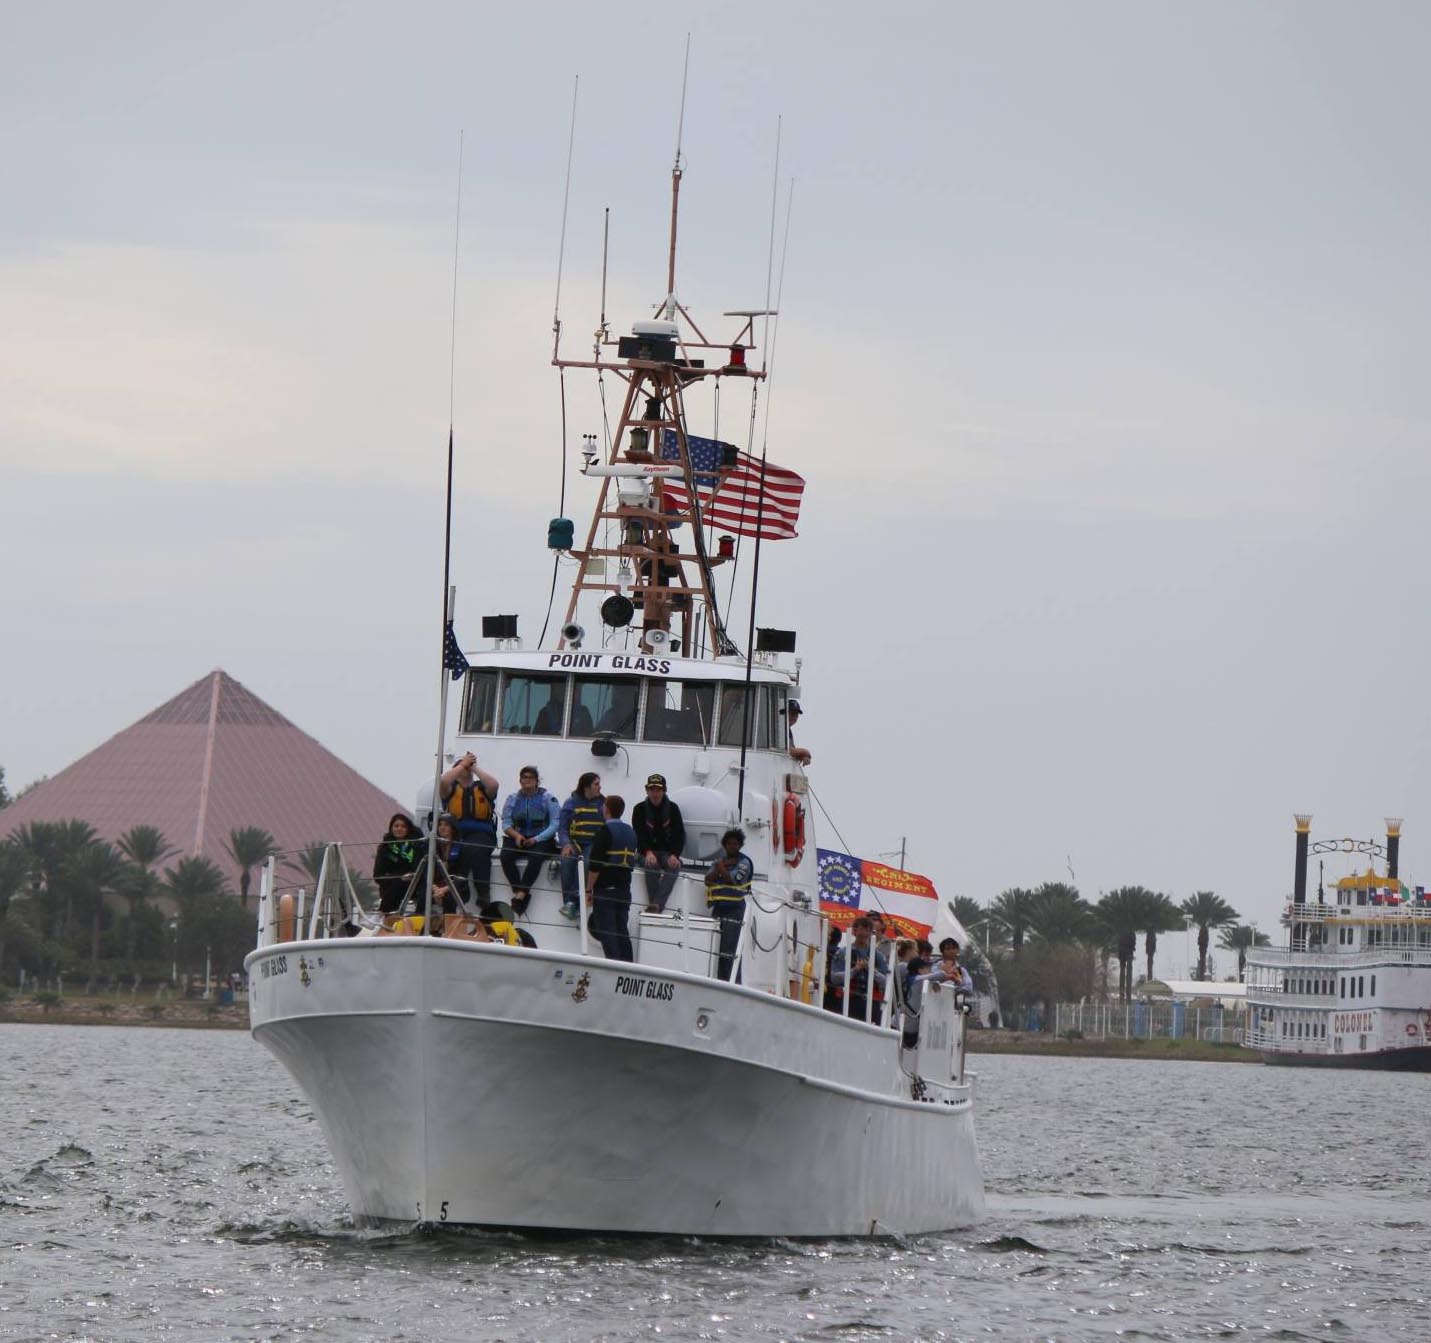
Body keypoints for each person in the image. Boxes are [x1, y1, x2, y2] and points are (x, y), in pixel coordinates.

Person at [438, 751, 500, 902]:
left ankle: (483, 892)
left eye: (467, 765)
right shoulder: (449, 789)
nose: (465, 767)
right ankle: (453, 891)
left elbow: (494, 784)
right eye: (462, 765)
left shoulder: (483, 788)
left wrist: (473, 767)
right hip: (455, 833)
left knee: (475, 850)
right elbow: (443, 781)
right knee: (459, 850)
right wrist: (462, 765)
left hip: (481, 834)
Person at [498, 765, 560, 914]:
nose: (526, 780)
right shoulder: (512, 799)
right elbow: (506, 823)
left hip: (542, 838)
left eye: (530, 777)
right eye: (523, 777)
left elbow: (555, 823)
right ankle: (520, 892)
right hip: (519, 836)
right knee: (505, 856)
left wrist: (537, 839)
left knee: (536, 857)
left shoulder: (548, 798)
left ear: (537, 781)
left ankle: (520, 895)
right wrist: (516, 835)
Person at [586, 795, 638, 962]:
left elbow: (595, 865)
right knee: (622, 931)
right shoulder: (631, 832)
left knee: (607, 933)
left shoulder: (604, 832)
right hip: (624, 890)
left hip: (606, 890)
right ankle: (628, 965)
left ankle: (614, 967)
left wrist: (588, 889)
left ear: (606, 809)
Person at [631, 773, 686, 913]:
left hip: (667, 852)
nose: (655, 793)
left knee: (674, 867)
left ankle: (655, 904)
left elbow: (679, 835)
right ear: (647, 790)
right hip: (647, 851)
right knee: (650, 864)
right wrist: (647, 852)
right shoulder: (639, 809)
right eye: (652, 789)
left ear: (664, 790)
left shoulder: (673, 809)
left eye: (658, 790)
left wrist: (675, 854)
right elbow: (639, 834)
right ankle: (657, 905)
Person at [705, 827, 753, 982]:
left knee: (729, 951)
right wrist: (720, 868)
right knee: (715, 948)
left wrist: (721, 870)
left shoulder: (744, 862)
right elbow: (708, 880)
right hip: (718, 908)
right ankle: (718, 981)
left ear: (740, 846)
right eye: (729, 843)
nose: (732, 846)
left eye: (735, 843)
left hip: (735, 910)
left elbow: (734, 880)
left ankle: (733, 983)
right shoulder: (720, 861)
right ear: (724, 845)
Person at [557, 772, 605, 920]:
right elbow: (563, 828)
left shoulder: (603, 804)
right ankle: (569, 903)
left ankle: (576, 901)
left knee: (587, 862)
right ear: (586, 787)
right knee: (566, 862)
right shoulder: (570, 803)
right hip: (574, 843)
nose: (600, 787)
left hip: (594, 843)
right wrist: (565, 844)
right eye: (596, 784)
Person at [830, 916, 890, 1024]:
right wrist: (855, 970)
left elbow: (885, 982)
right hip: (849, 1001)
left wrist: (872, 971)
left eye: (868, 930)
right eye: (862, 929)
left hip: (872, 1003)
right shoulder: (843, 952)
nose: (864, 934)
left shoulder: (879, 956)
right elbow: (834, 978)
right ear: (854, 931)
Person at [372, 814, 422, 915]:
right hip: (391, 884)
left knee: (400, 883)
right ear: (391, 828)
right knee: (398, 883)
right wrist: (399, 878)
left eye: (403, 826)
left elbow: (421, 868)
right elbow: (378, 876)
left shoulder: (417, 845)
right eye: (396, 826)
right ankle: (387, 915)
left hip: (414, 883)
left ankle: (381, 913)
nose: (399, 829)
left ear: (408, 829)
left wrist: (411, 875)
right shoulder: (384, 848)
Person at [786, 698, 812, 766]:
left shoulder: (788, 730)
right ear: (784, 713)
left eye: (796, 715)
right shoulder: (779, 729)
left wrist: (801, 756)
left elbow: (792, 752)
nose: (794, 717)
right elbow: (786, 750)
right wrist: (805, 752)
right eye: (791, 713)